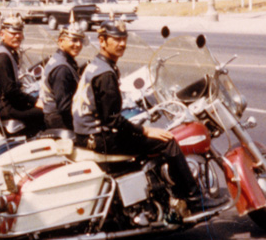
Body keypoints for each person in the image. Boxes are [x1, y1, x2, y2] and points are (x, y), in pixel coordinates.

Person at [72, 20, 204, 211]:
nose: (122, 44)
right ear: (102, 41)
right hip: (101, 138)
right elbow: (113, 121)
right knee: (168, 142)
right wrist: (145, 130)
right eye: (116, 39)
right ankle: (194, 199)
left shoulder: (96, 65)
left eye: (124, 39)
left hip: (88, 135)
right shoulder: (105, 74)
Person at [0, 15, 45, 137]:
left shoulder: (7, 52)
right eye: (12, 33)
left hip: (4, 104)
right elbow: (10, 91)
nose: (17, 36)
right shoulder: (1, 57)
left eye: (19, 33)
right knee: (45, 113)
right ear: (2, 34)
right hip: (2, 107)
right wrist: (34, 101)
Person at [38, 22, 85, 130]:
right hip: (60, 121)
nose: (78, 44)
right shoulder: (62, 68)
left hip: (54, 117)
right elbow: (64, 107)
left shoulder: (59, 59)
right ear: (61, 41)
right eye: (73, 40)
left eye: (80, 40)